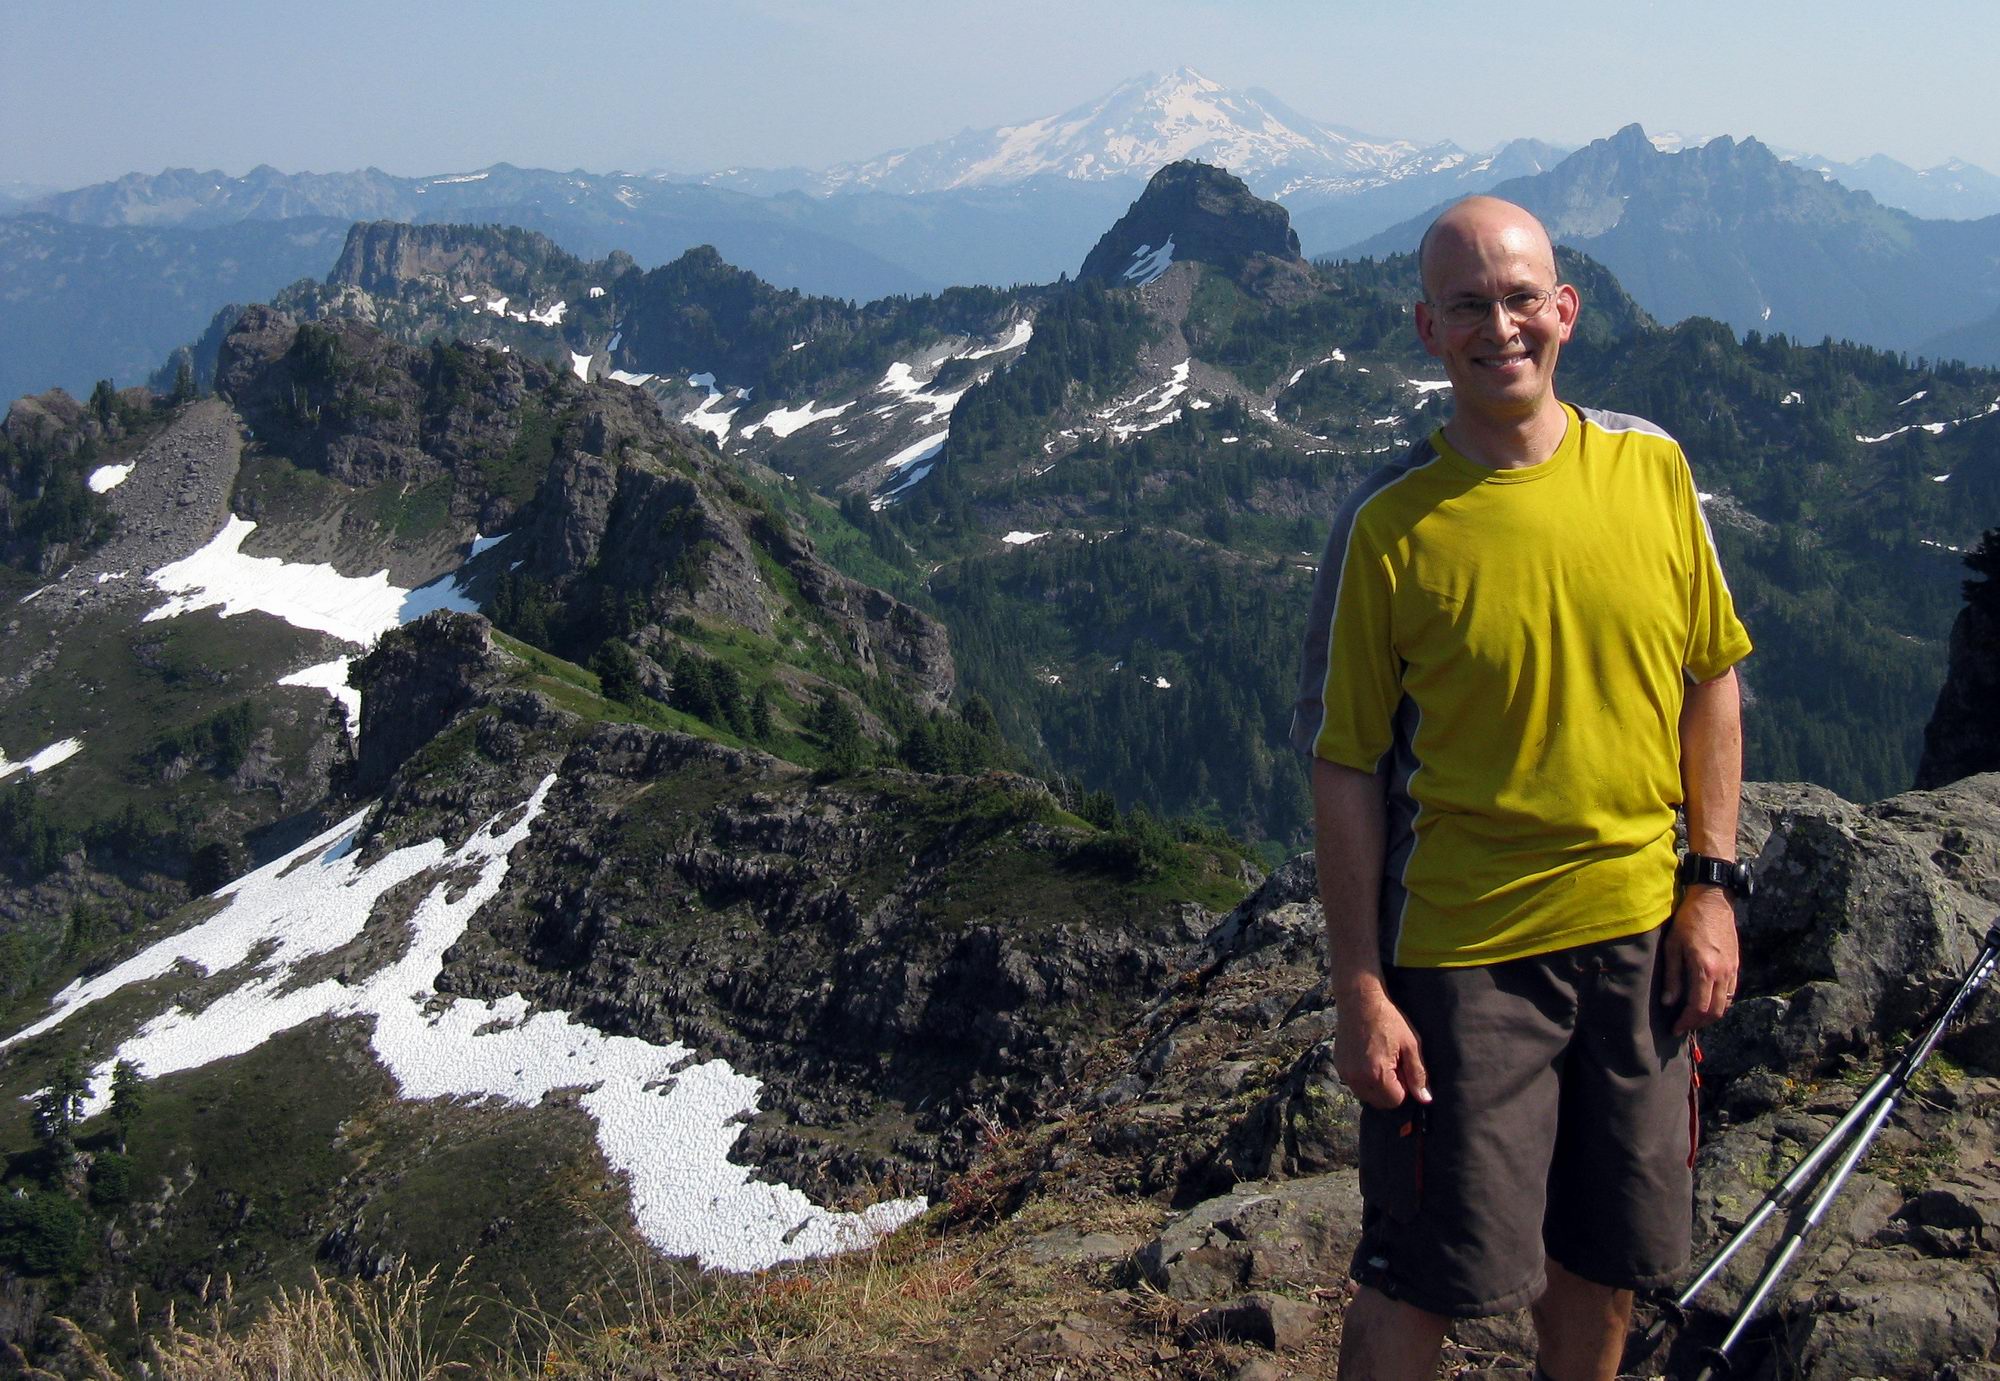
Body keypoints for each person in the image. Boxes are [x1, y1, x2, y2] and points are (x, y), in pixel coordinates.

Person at [1290, 196, 1752, 1381]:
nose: (1499, 326)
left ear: (1564, 310)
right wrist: (1358, 986)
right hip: (1463, 963)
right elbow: (1343, 763)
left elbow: (1710, 677)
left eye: (1517, 298)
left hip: (1637, 943)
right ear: (1424, 330)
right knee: (1423, 1273)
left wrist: (1708, 882)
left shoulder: (1649, 471)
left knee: (1604, 1264)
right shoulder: (1388, 526)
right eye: (1465, 306)